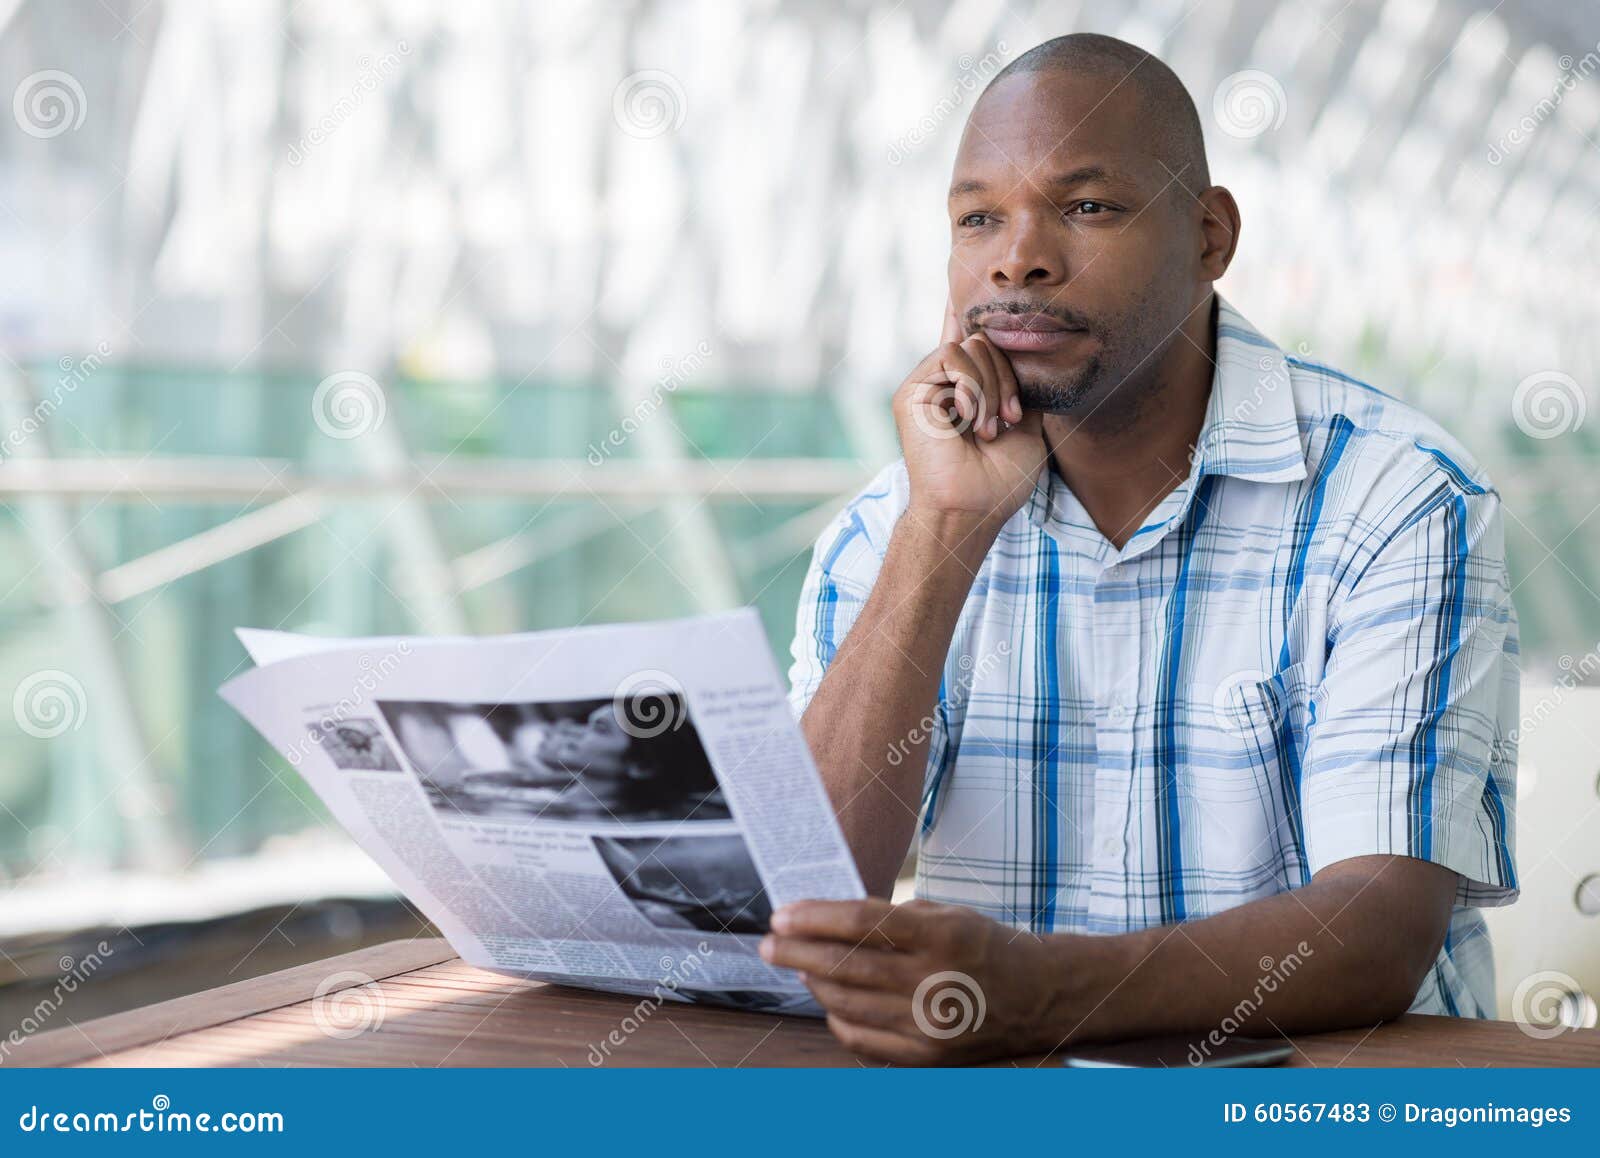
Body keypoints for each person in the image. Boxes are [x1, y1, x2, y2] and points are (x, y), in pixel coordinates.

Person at [762, 33, 1518, 1064]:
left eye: (1086, 207)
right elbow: (803, 901)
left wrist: (1039, 990)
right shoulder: (890, 527)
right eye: (977, 216)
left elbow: (1377, 929)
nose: (1015, 256)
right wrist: (943, 533)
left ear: (1209, 236)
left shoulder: (1393, 497)